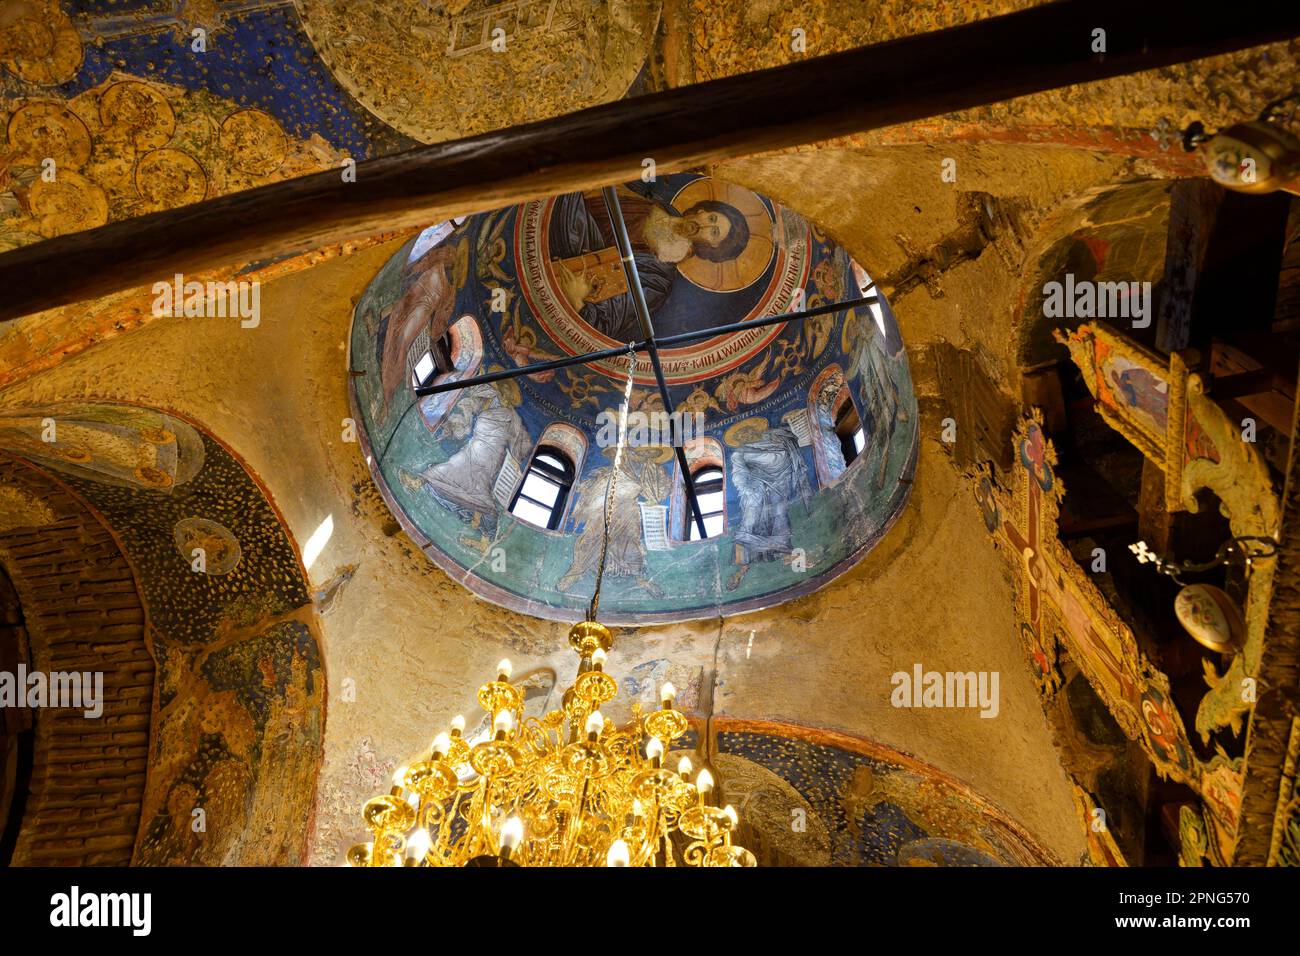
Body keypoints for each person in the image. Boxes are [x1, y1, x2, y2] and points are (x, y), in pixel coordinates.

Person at [547, 185, 750, 340]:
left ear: (710, 247)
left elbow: (605, 323)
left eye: (713, 232)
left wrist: (578, 301)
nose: (704, 225)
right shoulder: (655, 201)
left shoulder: (658, 278)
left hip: (569, 249)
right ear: (702, 211)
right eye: (712, 218)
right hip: (563, 217)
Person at [556, 445, 671, 597]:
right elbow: (599, 491)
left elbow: (659, 491)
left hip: (629, 512)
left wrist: (652, 498)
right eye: (643, 452)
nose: (645, 456)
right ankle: (575, 572)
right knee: (593, 539)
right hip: (606, 511)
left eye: (651, 454)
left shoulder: (648, 473)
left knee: (631, 544)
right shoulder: (614, 472)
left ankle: (640, 579)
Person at [726, 421, 812, 591]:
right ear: (738, 440)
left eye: (749, 430)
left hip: (779, 482)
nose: (746, 435)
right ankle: (742, 562)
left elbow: (785, 447)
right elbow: (739, 474)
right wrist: (748, 489)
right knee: (751, 517)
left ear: (754, 431)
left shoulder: (771, 440)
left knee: (780, 513)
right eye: (741, 435)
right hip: (755, 486)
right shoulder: (740, 453)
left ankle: (786, 552)